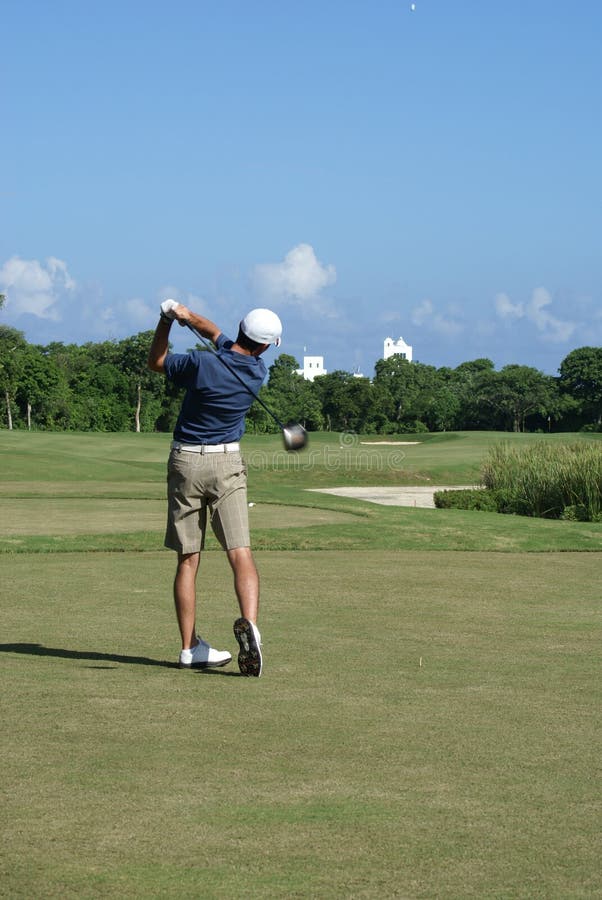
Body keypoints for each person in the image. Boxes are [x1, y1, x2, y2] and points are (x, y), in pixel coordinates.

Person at [147, 301, 283, 677]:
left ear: (240, 328)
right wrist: (188, 316)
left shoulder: (200, 364)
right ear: (266, 346)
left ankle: (189, 648)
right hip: (227, 465)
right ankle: (250, 626)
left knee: (188, 559)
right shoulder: (257, 372)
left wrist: (166, 321)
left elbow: (157, 361)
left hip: (186, 462)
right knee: (240, 553)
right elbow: (216, 335)